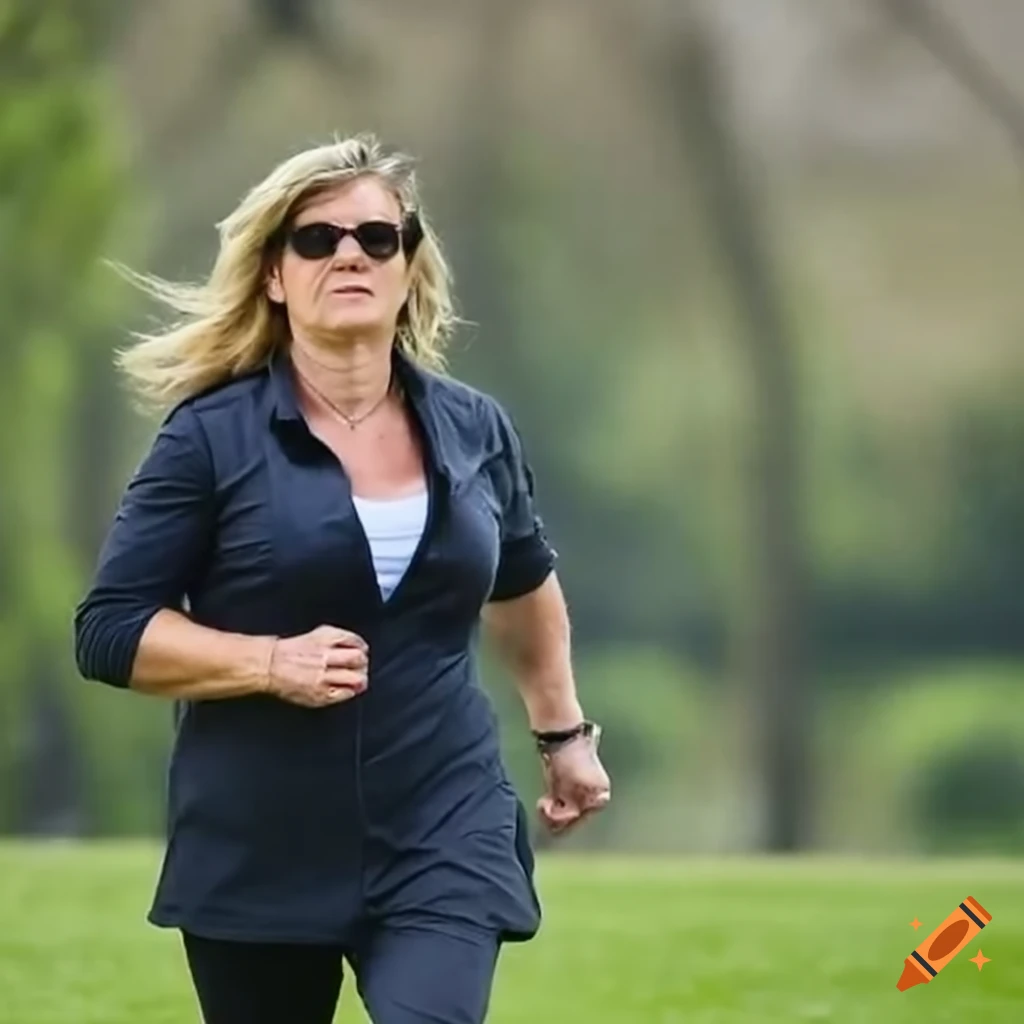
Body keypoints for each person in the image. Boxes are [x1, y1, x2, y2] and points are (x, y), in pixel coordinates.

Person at [73, 133, 611, 1024]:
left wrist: (563, 736)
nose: (350, 253)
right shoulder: (209, 438)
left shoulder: (476, 430)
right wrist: (267, 663)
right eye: (317, 239)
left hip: (443, 817)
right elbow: (110, 629)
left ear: (408, 267)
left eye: (377, 238)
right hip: (261, 839)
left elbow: (522, 586)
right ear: (276, 275)